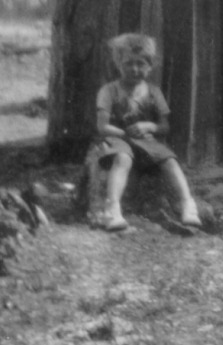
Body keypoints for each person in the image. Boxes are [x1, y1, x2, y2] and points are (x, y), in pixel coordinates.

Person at [86, 32, 201, 233]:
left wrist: (149, 126)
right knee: (122, 159)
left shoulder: (154, 92)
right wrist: (125, 134)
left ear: (150, 66)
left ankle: (187, 205)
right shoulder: (109, 91)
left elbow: (164, 126)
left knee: (170, 160)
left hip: (145, 141)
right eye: (128, 63)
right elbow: (102, 127)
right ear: (118, 63)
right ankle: (112, 209)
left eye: (141, 64)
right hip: (117, 138)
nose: (135, 69)